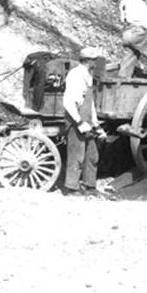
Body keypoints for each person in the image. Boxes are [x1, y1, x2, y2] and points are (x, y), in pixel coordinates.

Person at [62, 45, 105, 196]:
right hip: (76, 120)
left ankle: (90, 186)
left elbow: (90, 103)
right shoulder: (75, 75)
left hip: (86, 120)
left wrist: (96, 125)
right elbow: (68, 102)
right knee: (77, 155)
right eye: (94, 60)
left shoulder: (88, 75)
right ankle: (71, 187)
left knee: (92, 155)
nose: (96, 63)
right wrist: (79, 122)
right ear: (89, 61)